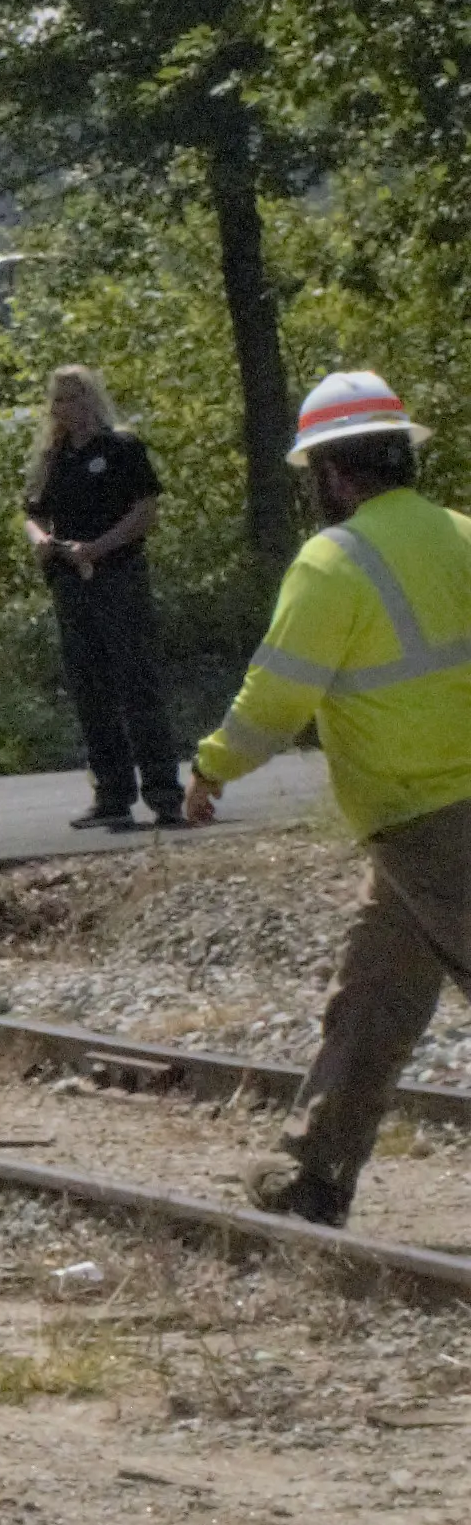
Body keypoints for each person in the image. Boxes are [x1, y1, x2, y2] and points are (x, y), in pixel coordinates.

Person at [178, 368, 471, 1229]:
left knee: (379, 998)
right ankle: (312, 1175)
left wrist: (213, 768)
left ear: (332, 474)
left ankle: (315, 1172)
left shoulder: (333, 560)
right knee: (373, 999)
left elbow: (278, 696)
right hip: (414, 828)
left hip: (428, 818)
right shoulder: (460, 533)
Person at [23, 366, 170, 828]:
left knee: (136, 682)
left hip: (118, 576)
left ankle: (164, 790)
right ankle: (112, 792)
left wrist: (100, 547)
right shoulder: (54, 457)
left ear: (93, 398)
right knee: (90, 689)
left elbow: (145, 511)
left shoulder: (121, 447)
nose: (69, 407)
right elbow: (32, 513)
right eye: (61, 399)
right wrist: (42, 541)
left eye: (77, 396)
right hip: (71, 582)